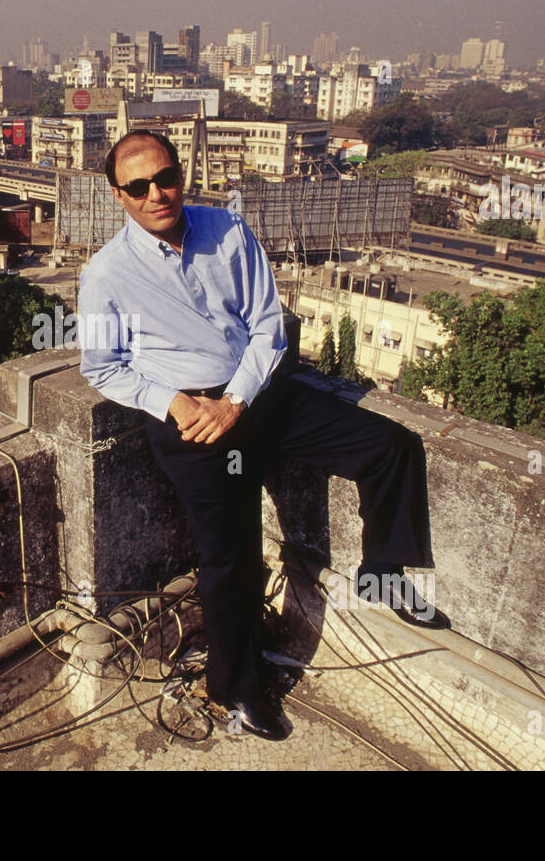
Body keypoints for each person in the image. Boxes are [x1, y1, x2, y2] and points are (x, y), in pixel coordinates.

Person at [77, 130, 449, 742]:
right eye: (138, 186)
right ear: (119, 196)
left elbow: (267, 326)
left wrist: (236, 401)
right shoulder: (107, 274)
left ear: (181, 173)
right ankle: (237, 688)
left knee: (390, 448)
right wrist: (176, 402)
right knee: (233, 562)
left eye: (164, 177)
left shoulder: (226, 231)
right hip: (193, 427)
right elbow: (102, 366)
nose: (156, 194)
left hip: (257, 397)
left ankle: (384, 568)